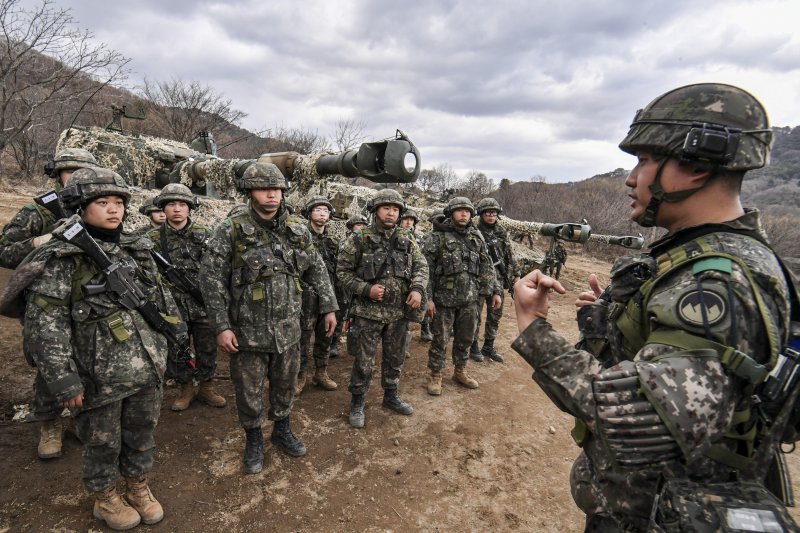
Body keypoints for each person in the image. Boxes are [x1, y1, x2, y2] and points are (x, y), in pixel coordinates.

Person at [512, 83, 795, 531]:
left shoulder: (716, 281)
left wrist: (533, 327)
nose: (631, 178)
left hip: (656, 516)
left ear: (696, 167)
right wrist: (606, 323)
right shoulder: (693, 257)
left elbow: (631, 419)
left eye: (644, 160)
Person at [13, 167, 179, 529]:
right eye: (102, 202)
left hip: (145, 367)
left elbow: (162, 301)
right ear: (80, 207)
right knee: (102, 442)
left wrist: (170, 343)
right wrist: (64, 381)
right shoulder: (63, 259)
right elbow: (46, 327)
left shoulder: (136, 249)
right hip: (97, 376)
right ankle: (105, 498)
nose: (114, 209)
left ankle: (138, 486)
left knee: (141, 434)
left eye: (118, 201)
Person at [199, 163, 337, 474]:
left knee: (285, 383)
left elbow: (316, 268)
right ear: (250, 192)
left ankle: (281, 429)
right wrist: (221, 326)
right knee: (248, 390)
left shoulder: (297, 230)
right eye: (264, 188)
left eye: (276, 189)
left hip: (288, 328)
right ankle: (253, 438)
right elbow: (210, 280)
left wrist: (329, 306)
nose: (272, 194)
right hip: (247, 332)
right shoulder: (230, 230)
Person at [0, 147, 97, 460]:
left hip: (87, 299)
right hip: (46, 301)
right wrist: (41, 241)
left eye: (84, 173)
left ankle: (80, 418)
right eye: (71, 172)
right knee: (50, 363)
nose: (77, 179)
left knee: (89, 359)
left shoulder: (97, 206)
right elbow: (4, 252)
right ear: (58, 174)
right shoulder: (38, 211)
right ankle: (49, 423)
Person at [337, 189, 429, 427]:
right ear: (375, 210)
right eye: (386, 208)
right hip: (368, 313)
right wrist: (366, 289)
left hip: (398, 313)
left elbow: (421, 266)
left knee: (395, 357)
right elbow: (342, 271)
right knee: (364, 361)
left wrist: (417, 289)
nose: (391, 213)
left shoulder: (407, 238)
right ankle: (357, 401)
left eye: (395, 209)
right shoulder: (359, 238)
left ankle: (390, 395)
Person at [146, 183, 226, 411]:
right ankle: (186, 387)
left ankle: (207, 386)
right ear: (163, 208)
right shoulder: (151, 239)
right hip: (172, 306)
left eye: (182, 204)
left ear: (190, 207)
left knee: (207, 347)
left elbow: (216, 268)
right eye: (171, 204)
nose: (177, 209)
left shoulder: (205, 233)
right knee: (178, 348)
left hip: (201, 303)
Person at [422, 197, 501, 396]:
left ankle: (460, 370)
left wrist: (495, 291)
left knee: (465, 338)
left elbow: (487, 266)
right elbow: (425, 271)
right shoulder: (437, 238)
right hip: (443, 301)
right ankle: (435, 374)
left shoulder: (476, 236)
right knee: (440, 340)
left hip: (470, 300)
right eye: (460, 210)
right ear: (451, 213)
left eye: (467, 211)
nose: (464, 214)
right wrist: (428, 299)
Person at [296, 195, 340, 393]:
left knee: (326, 336)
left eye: (326, 210)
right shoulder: (300, 238)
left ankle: (321, 372)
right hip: (306, 297)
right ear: (309, 213)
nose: (322, 214)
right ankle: (300, 375)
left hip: (329, 296)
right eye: (317, 210)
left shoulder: (333, 241)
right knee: (303, 338)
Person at [469, 197, 517, 363]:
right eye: (488, 213)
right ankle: (473, 346)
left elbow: (510, 253)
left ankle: (488, 346)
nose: (491, 216)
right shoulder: (474, 230)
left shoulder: (501, 231)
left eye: (494, 213)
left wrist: (516, 273)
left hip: (498, 279)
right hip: (478, 279)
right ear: (481, 214)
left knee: (495, 314)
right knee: (475, 314)